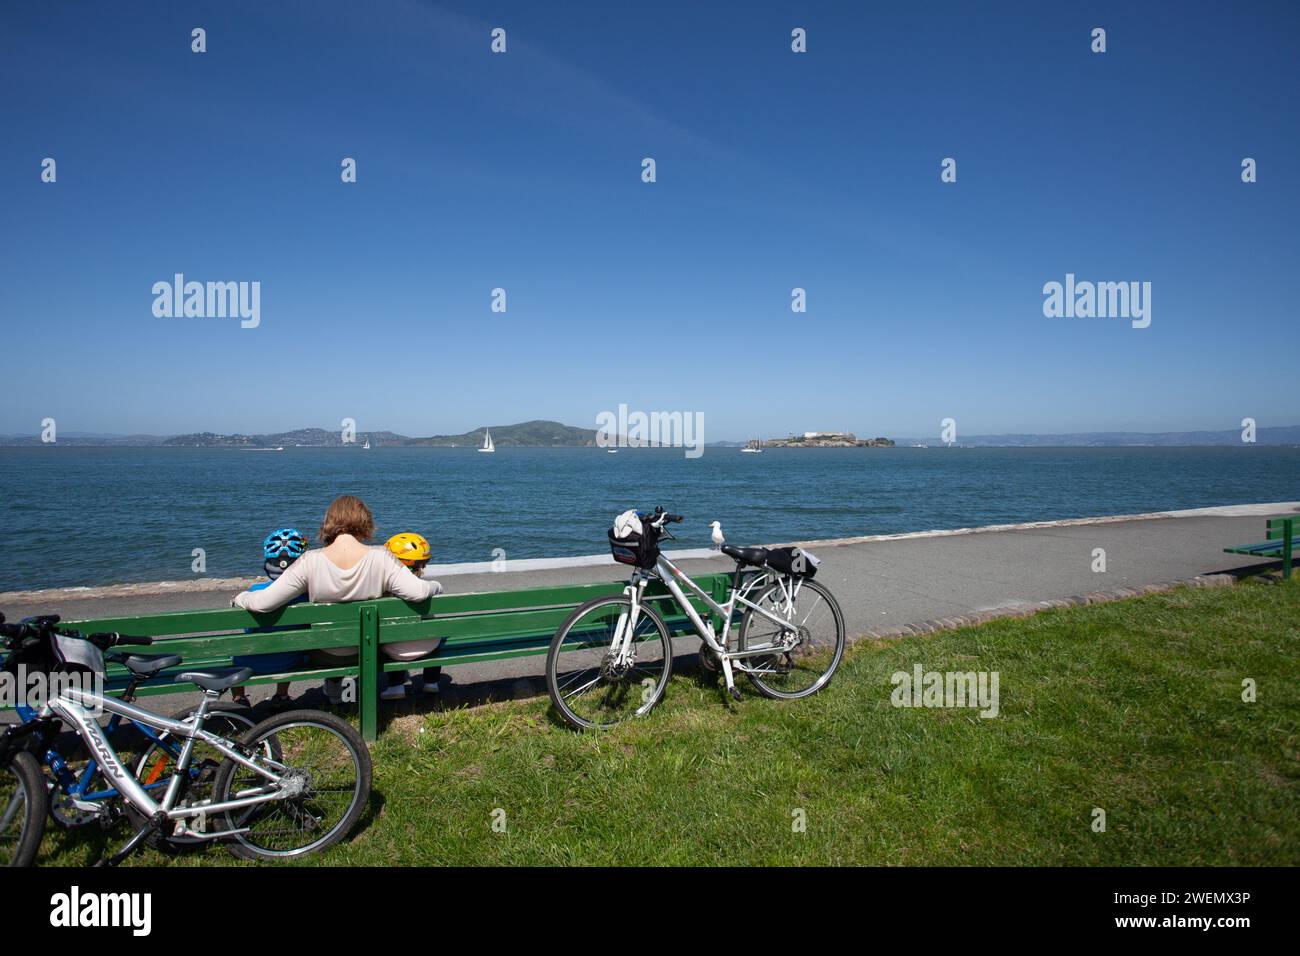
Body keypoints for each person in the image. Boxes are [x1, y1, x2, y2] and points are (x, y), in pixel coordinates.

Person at [231, 495, 442, 704]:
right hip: (366, 649)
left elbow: (262, 603)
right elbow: (419, 592)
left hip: (326, 652)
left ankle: (334, 689)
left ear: (329, 522)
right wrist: (436, 586)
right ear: (364, 522)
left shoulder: (309, 561)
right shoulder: (381, 557)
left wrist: (240, 598)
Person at [230, 527, 310, 708]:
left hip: (250, 660)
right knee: (292, 643)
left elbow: (249, 629)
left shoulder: (254, 593)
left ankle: (239, 699)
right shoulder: (307, 596)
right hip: (291, 659)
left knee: (237, 648)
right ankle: (281, 695)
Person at [380, 532, 445, 699]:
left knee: (390, 637)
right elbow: (435, 588)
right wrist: (436, 586)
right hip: (430, 646)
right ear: (420, 565)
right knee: (437, 633)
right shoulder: (425, 588)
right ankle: (431, 682)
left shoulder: (382, 593)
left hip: (396, 652)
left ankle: (396, 686)